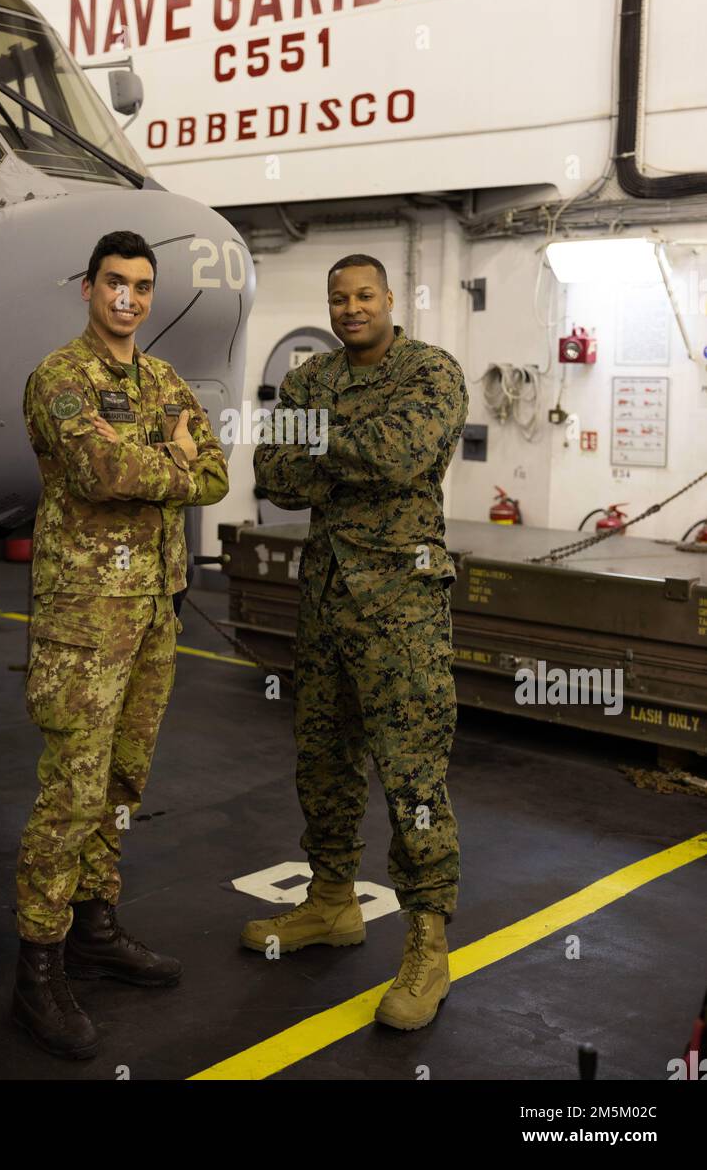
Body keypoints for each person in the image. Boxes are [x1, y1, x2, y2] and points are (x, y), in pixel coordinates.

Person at [12, 229, 228, 1059]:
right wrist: (163, 456)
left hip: (152, 615)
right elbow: (102, 475)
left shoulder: (165, 378)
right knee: (69, 791)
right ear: (88, 288)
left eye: (141, 284)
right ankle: (36, 967)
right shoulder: (61, 379)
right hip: (84, 620)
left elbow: (214, 475)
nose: (127, 298)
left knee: (122, 780)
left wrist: (162, 462)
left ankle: (93, 929)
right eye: (113, 282)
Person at [243, 254, 468, 1031]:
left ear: (389, 299)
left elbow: (406, 452)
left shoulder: (430, 372)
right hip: (327, 600)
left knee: (413, 777)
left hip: (402, 603)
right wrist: (351, 450)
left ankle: (429, 943)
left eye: (364, 295)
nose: (350, 309)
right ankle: (331, 903)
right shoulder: (309, 380)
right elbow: (272, 474)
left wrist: (323, 449)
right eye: (338, 298)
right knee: (323, 758)